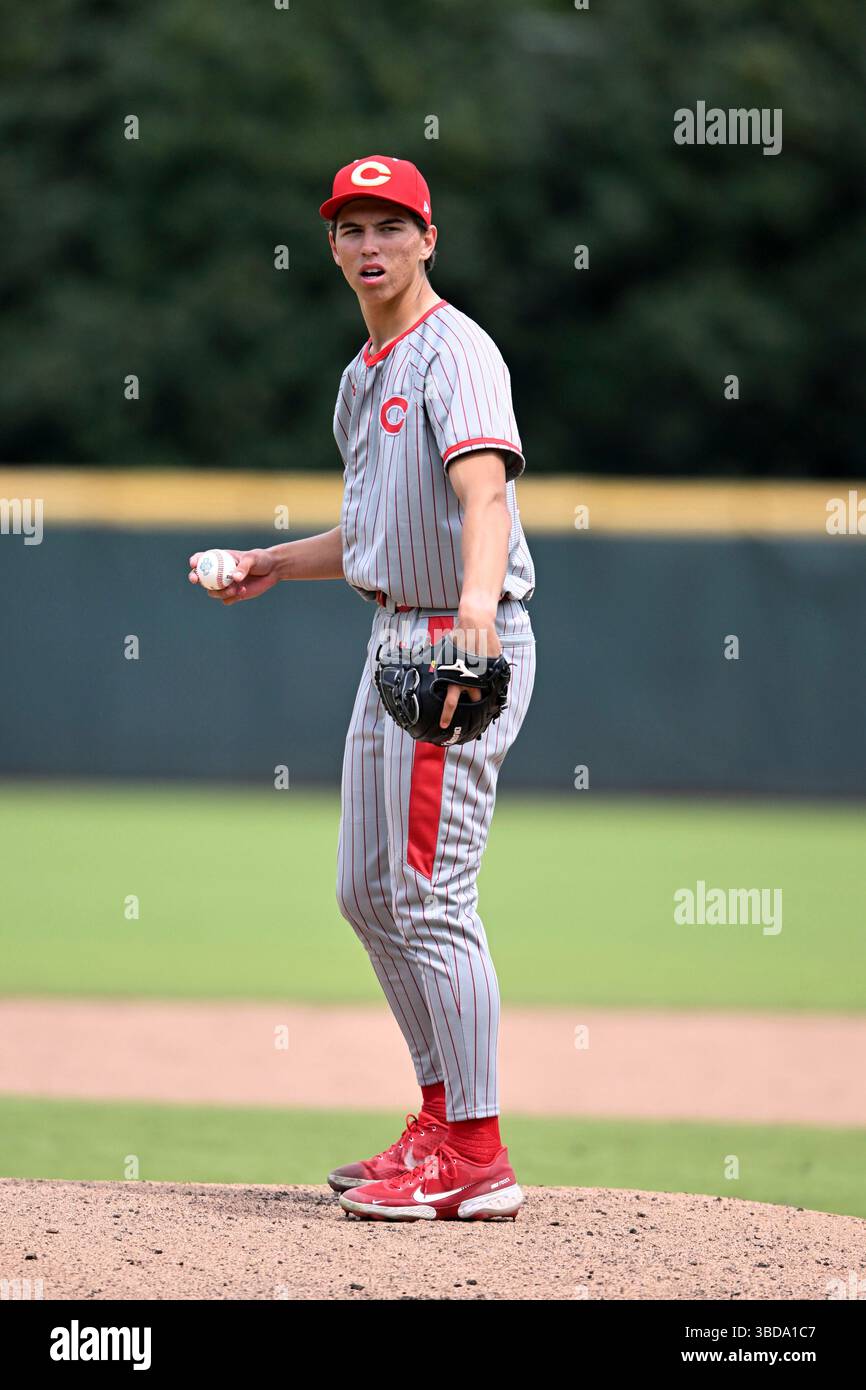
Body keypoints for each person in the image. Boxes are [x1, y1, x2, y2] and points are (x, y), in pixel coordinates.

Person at [189, 155, 536, 1221]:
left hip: (453, 647)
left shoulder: (454, 352)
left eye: (392, 224)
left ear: (429, 239)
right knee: (366, 891)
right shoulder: (364, 373)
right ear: (331, 245)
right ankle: (437, 1118)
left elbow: (482, 491)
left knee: (430, 893)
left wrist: (474, 613)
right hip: (395, 639)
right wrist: (267, 564)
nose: (370, 243)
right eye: (352, 227)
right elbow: (376, 534)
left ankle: (475, 1152)